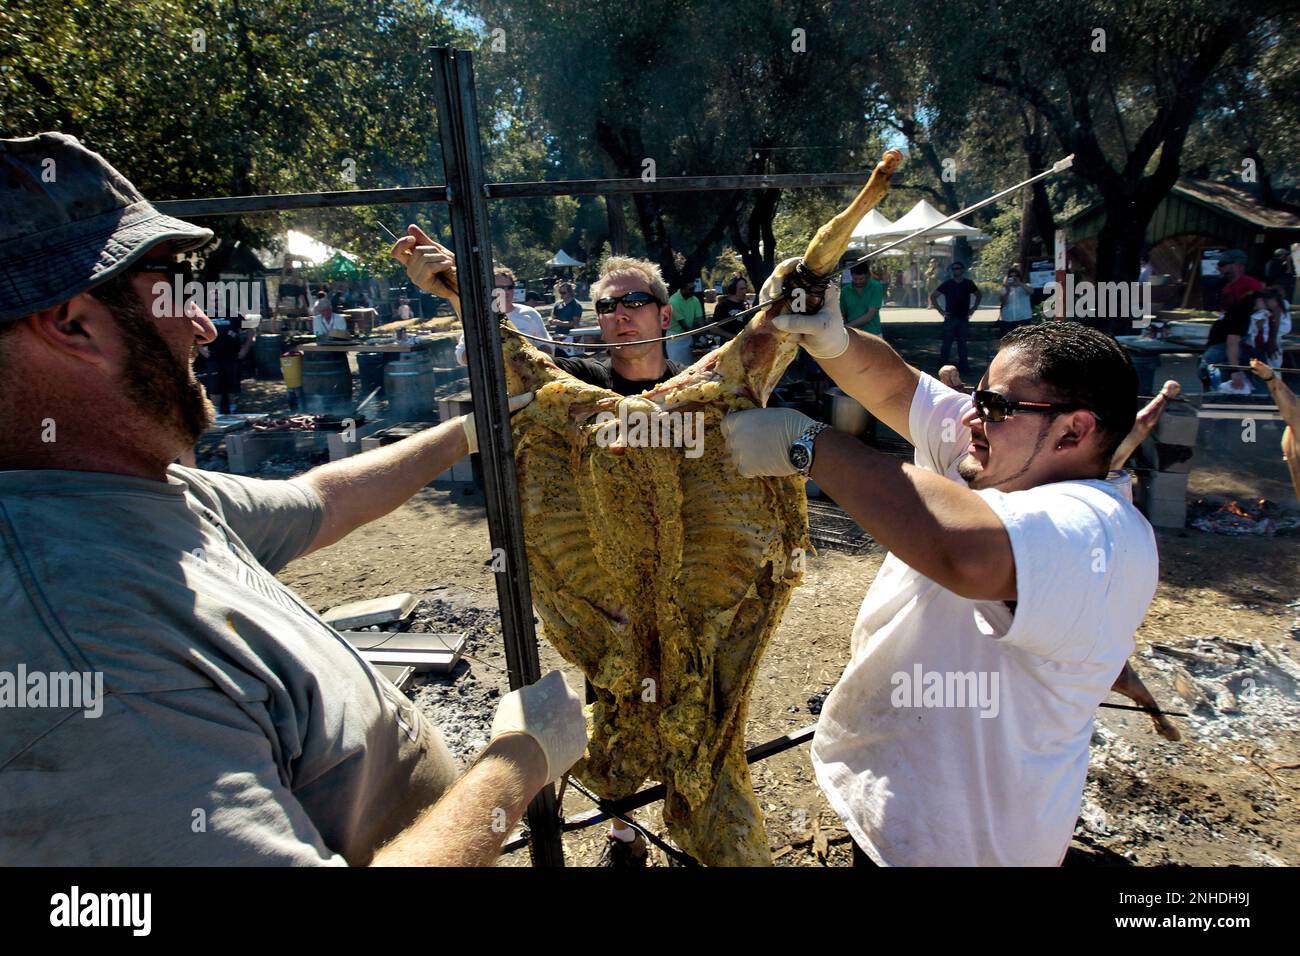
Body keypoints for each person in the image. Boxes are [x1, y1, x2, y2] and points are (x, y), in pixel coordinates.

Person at [0, 132, 585, 866]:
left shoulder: (131, 492)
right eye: (175, 283)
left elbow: (319, 499)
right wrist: (517, 761)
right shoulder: (79, 641)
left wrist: (471, 431)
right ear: (74, 323)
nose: (206, 324)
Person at [721, 256, 1156, 865]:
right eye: (980, 396)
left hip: (969, 848)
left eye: (998, 407)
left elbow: (966, 553)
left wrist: (811, 445)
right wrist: (834, 337)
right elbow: (899, 387)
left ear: (1074, 431)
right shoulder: (997, 445)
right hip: (885, 803)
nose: (974, 415)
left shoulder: (1102, 531)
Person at [449, 262, 554, 362]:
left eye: (509, 287)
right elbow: (461, 355)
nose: (506, 292)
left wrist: (528, 356)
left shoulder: (529, 313)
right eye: (499, 288)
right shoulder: (479, 317)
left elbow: (549, 347)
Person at [1201, 298, 1266, 395]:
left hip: (1220, 361)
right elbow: (1232, 345)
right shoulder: (1239, 318)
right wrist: (1235, 372)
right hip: (1219, 362)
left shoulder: (1244, 317)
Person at [930, 260, 982, 376]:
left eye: (958, 268)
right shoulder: (948, 284)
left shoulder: (968, 283)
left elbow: (978, 294)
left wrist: (974, 308)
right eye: (953, 268)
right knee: (947, 343)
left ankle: (964, 366)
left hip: (963, 317)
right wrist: (941, 311)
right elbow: (933, 296)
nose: (955, 270)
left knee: (962, 343)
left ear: (962, 270)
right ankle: (943, 366)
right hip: (950, 317)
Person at [202, 311, 254, 414]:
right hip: (213, 357)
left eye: (218, 297)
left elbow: (251, 330)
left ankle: (233, 410)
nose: (216, 300)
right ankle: (216, 414)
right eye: (213, 298)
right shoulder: (204, 316)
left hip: (232, 356)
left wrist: (245, 349)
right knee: (214, 387)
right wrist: (201, 349)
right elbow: (196, 333)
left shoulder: (235, 314)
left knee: (233, 386)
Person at [840, 263, 885, 337]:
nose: (858, 282)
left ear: (868, 275)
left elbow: (870, 315)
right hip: (852, 334)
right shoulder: (845, 290)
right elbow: (843, 313)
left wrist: (847, 327)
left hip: (873, 334)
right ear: (851, 275)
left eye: (861, 279)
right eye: (855, 279)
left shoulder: (876, 287)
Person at [666, 276, 703, 366]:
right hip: (675, 338)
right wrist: (699, 337)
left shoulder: (695, 300)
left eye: (694, 288)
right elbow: (684, 326)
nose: (693, 291)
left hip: (688, 336)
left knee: (689, 367)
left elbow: (701, 321)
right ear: (682, 289)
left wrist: (704, 333)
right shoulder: (673, 301)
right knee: (677, 366)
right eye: (690, 289)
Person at [996, 267, 1033, 337]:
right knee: (1008, 342)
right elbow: (1003, 302)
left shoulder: (1026, 286)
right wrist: (1008, 290)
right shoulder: (1005, 288)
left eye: (1016, 276)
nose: (1014, 278)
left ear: (1020, 277)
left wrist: (1019, 283)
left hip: (1023, 318)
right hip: (1008, 319)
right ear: (1008, 278)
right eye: (1011, 276)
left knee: (1024, 341)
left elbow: (1031, 291)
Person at [712, 274, 751, 338]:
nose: (745, 291)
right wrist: (733, 336)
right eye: (742, 289)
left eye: (745, 288)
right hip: (727, 344)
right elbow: (713, 329)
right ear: (733, 289)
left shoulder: (743, 306)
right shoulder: (722, 306)